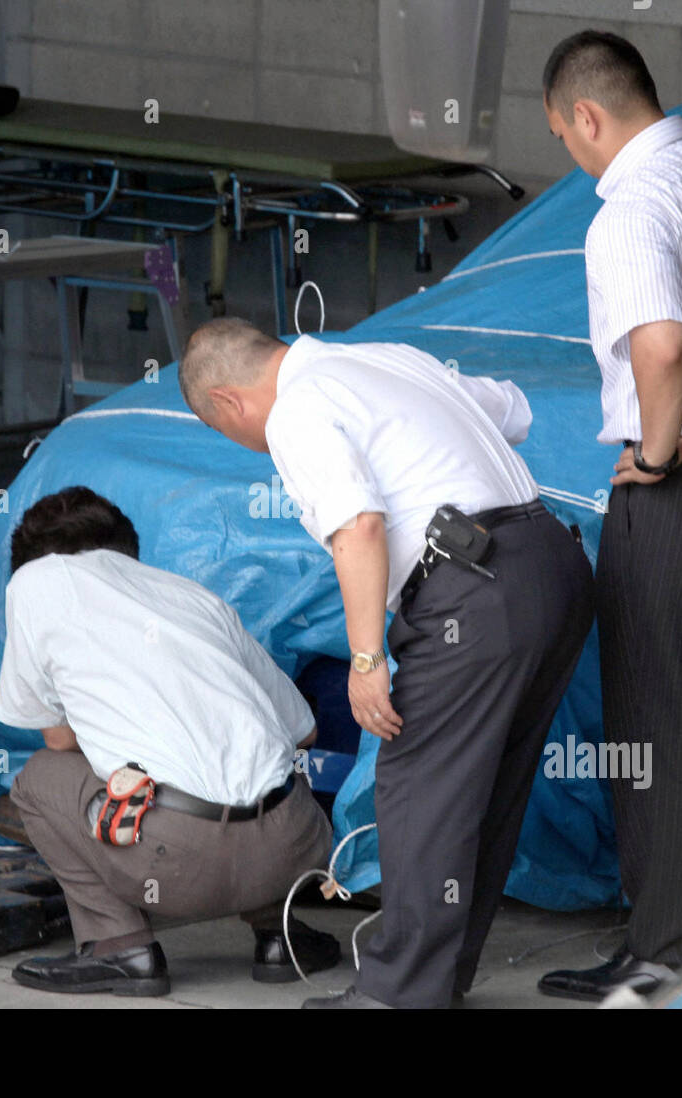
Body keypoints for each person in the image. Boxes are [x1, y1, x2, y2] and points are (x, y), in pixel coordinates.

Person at [179, 319, 595, 1009]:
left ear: (228, 403)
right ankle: (437, 979)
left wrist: (366, 657)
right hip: (552, 564)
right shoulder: (390, 360)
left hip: (477, 592)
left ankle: (400, 993)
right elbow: (511, 410)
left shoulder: (296, 410)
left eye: (228, 432)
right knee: (486, 791)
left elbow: (359, 526)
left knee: (418, 790)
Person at [534, 31, 682, 1001]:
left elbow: (662, 347)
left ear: (585, 117)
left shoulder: (631, 209)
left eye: (563, 135)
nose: (572, 153)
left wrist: (655, 451)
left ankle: (664, 951)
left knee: (662, 716)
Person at [0, 486, 341, 997]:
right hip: (293, 850)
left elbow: (59, 735)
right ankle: (279, 934)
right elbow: (304, 732)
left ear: (34, 559)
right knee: (254, 766)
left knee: (41, 776)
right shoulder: (195, 597)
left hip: (175, 865)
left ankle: (121, 949)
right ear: (127, 552)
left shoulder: (34, 581)